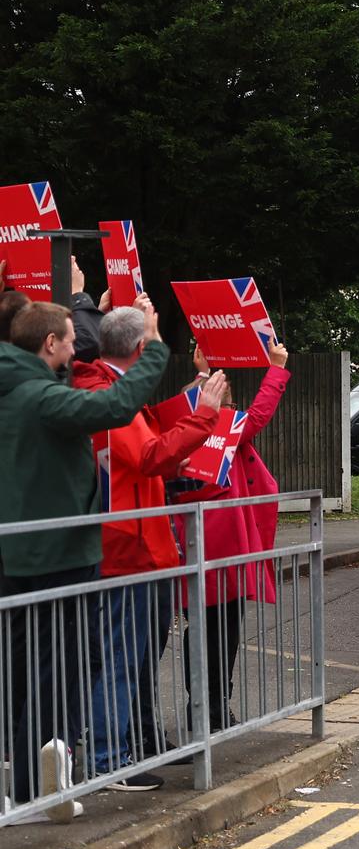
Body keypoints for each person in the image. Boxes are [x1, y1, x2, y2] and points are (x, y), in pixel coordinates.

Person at [0, 298, 168, 816]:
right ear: (49, 344)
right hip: (56, 554)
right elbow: (113, 409)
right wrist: (156, 347)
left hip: (14, 555)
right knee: (64, 666)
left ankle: (27, 778)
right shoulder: (39, 396)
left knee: (19, 669)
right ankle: (48, 770)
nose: (79, 346)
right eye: (71, 338)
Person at [69, 308, 227, 791]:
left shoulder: (104, 388)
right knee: (118, 659)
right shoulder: (102, 393)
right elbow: (149, 453)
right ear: (139, 351)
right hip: (127, 547)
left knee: (123, 657)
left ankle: (118, 749)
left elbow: (151, 423)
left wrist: (198, 394)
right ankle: (107, 759)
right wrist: (204, 415)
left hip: (131, 544)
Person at [179, 340, 291, 730]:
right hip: (223, 548)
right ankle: (211, 708)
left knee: (208, 629)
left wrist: (204, 372)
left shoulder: (186, 430)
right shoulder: (222, 426)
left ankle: (207, 706)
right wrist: (276, 368)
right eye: (219, 392)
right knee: (220, 632)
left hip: (201, 546)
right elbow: (259, 415)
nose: (225, 393)